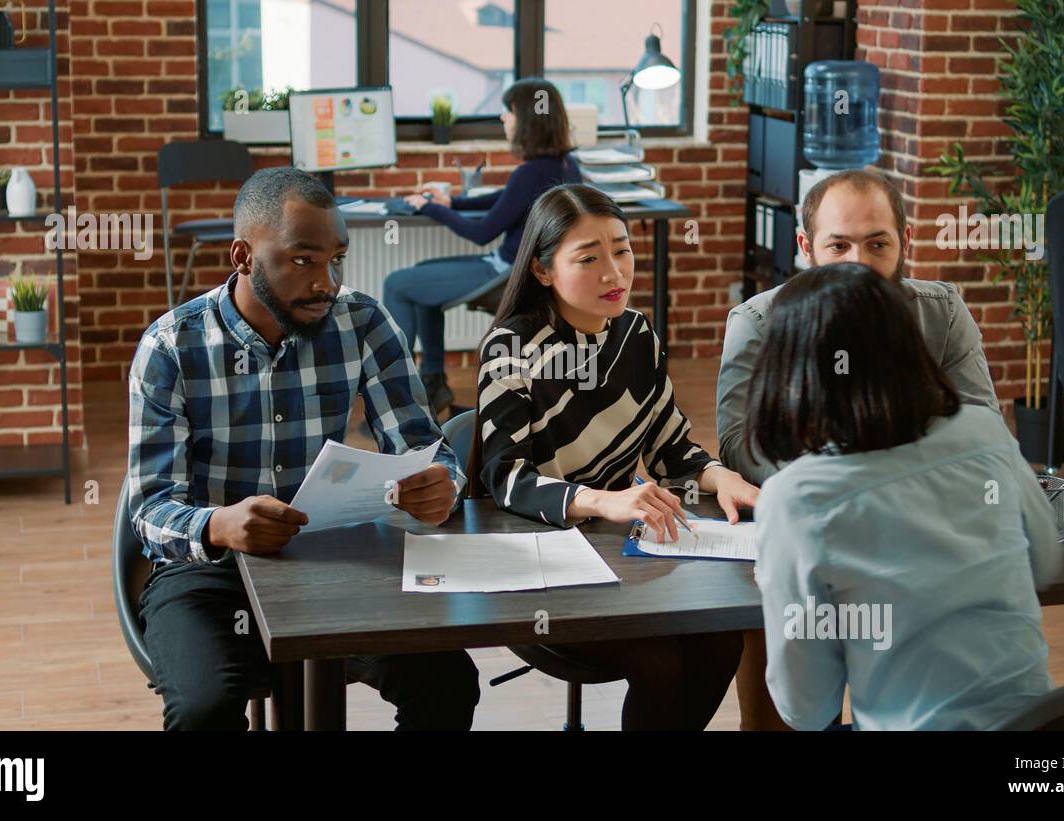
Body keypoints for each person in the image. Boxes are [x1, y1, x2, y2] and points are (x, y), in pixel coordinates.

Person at [129, 167, 480, 730]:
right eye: (303, 260)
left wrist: (442, 484)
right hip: (212, 572)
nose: (327, 281)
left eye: (336, 258)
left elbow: (425, 448)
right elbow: (149, 511)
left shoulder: (363, 323)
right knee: (201, 711)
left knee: (448, 684)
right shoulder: (171, 346)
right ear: (243, 256)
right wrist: (219, 525)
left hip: (336, 558)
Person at [716, 167, 1001, 729]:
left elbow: (982, 423)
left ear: (904, 243)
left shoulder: (939, 312)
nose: (859, 263)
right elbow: (738, 442)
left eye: (877, 244)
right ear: (806, 247)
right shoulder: (759, 321)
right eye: (839, 245)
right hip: (819, 533)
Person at [470, 183, 759, 730]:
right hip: (539, 560)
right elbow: (504, 479)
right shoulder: (512, 349)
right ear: (542, 270)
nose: (614, 273)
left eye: (622, 249)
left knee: (721, 641)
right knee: (660, 663)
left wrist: (720, 477)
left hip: (621, 555)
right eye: (589, 257)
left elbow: (671, 446)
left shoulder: (636, 336)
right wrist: (603, 501)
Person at [746, 263, 1060, 730]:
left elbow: (806, 709)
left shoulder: (798, 497)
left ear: (792, 374)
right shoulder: (984, 431)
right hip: (1040, 723)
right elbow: (1046, 562)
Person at [383, 78, 582, 417]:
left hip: (505, 276)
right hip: (510, 268)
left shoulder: (533, 172)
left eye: (510, 112)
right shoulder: (562, 166)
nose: (505, 119)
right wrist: (452, 201)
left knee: (397, 285)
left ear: (528, 122)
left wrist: (430, 207)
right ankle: (434, 385)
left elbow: (483, 231)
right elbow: (505, 201)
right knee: (419, 281)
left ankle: (399, 403)